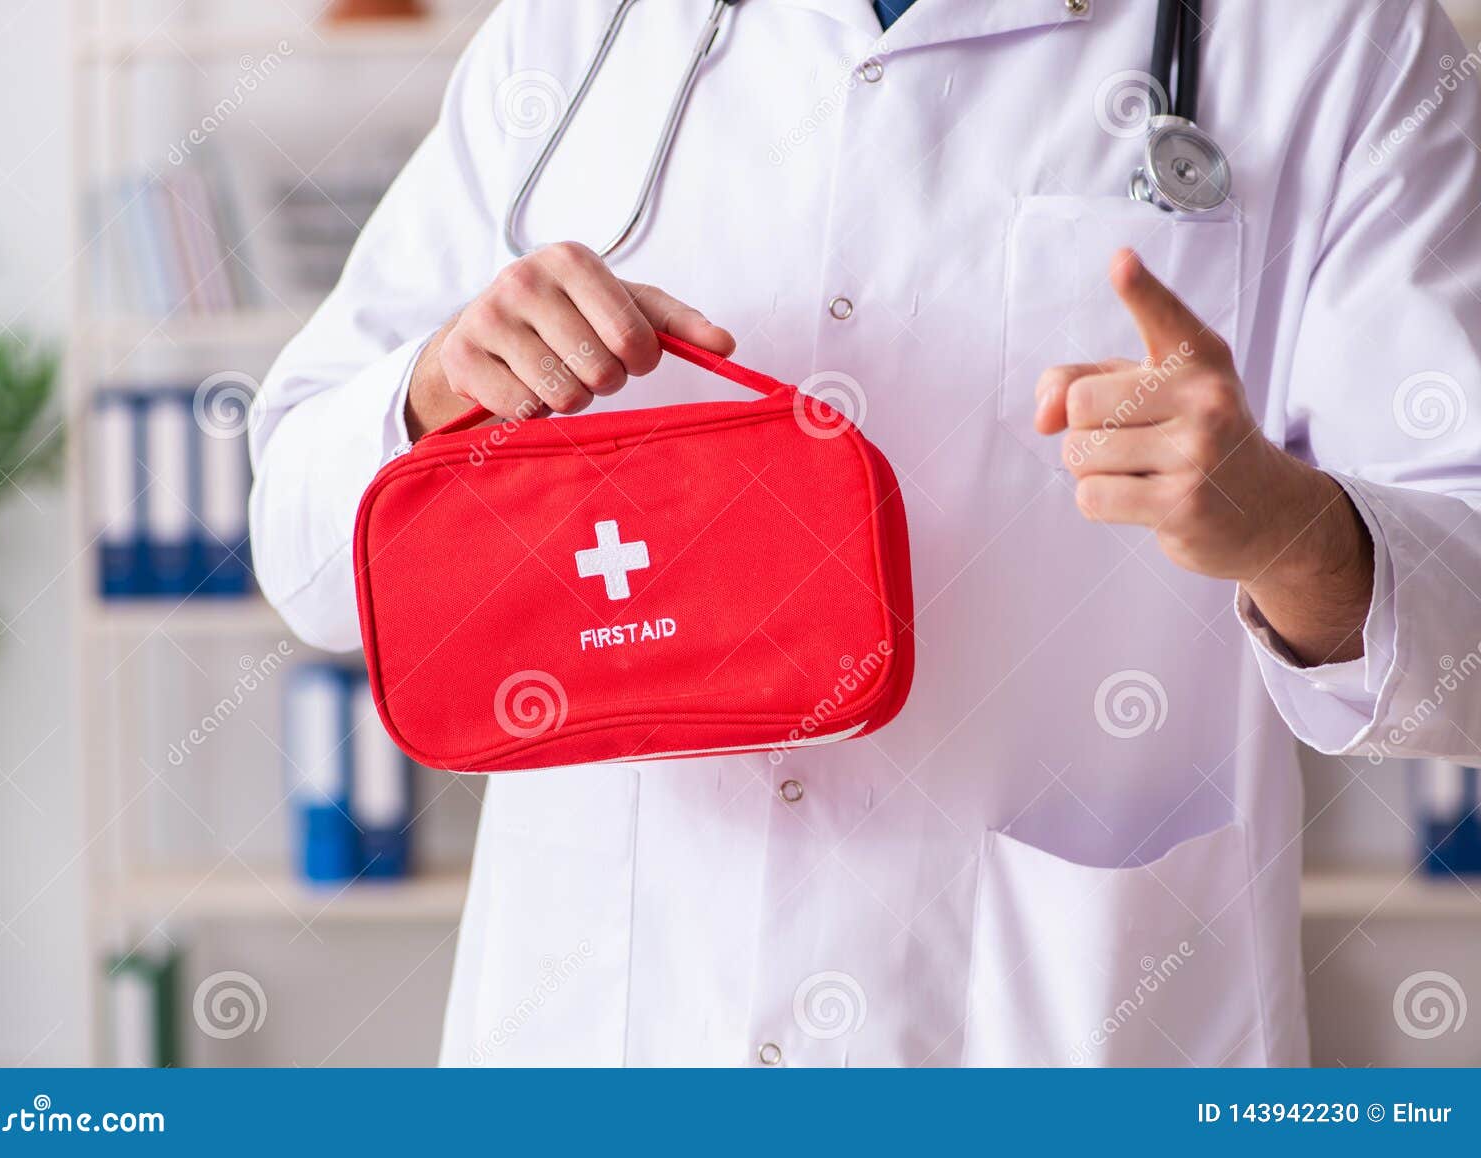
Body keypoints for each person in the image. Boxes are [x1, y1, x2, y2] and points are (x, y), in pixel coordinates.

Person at [250, 0, 1481, 1065]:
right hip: (613, 1032)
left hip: (1055, 1037)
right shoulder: (578, 30)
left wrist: (1291, 533)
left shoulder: (1338, 38)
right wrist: (434, 394)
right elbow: (305, 559)